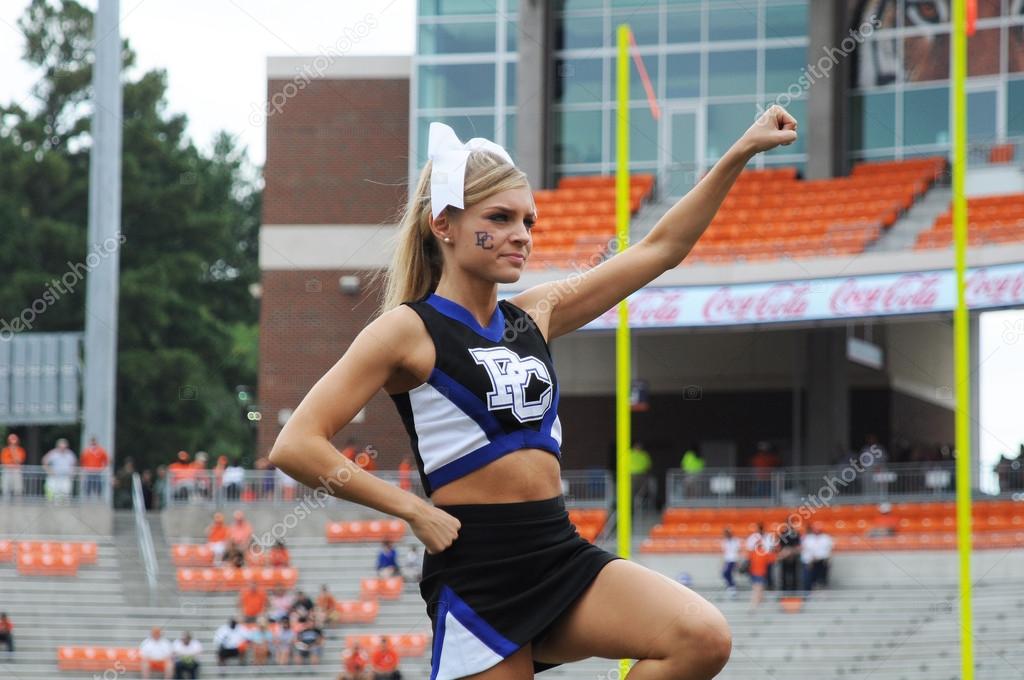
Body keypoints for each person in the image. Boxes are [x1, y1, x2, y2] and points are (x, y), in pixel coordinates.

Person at [270, 111, 797, 678]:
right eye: (499, 218)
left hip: (558, 550)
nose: (521, 234)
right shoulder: (406, 330)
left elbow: (661, 248)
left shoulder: (536, 314)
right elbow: (297, 444)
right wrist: (411, 509)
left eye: (528, 220)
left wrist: (739, 151)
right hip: (479, 574)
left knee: (701, 637)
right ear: (443, 224)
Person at [747, 535, 775, 611]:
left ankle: (756, 605)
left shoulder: (753, 553)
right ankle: (754, 606)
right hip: (760, 574)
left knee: (757, 589)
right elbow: (772, 560)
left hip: (755, 573)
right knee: (758, 590)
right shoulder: (763, 553)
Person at [777, 520, 802, 592]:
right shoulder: (783, 534)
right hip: (784, 558)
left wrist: (791, 552)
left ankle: (795, 591)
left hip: (794, 557)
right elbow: (781, 547)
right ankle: (783, 591)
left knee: (795, 575)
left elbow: (798, 546)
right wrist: (785, 554)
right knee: (783, 576)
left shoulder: (796, 534)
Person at [1, 434, 26, 498]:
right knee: (6, 489)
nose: (13, 441)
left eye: (14, 439)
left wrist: (13, 451)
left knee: (18, 490)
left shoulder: (20, 450)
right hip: (7, 471)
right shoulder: (5, 450)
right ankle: (5, 505)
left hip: (16, 471)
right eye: (11, 439)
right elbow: (4, 462)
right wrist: (12, 461)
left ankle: (18, 505)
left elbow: (19, 460)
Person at [721, 528, 740, 597]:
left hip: (733, 560)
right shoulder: (724, 541)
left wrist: (738, 561)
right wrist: (723, 562)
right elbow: (725, 552)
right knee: (725, 573)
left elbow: (737, 551)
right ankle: (731, 586)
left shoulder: (735, 541)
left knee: (727, 572)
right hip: (727, 560)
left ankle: (732, 586)